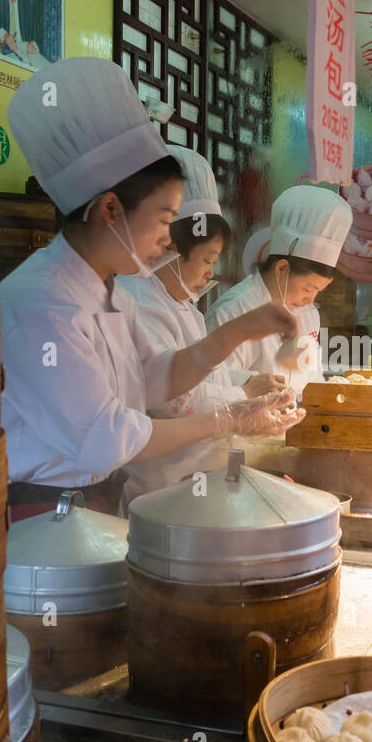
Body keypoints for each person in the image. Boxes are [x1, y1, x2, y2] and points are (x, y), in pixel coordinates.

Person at [0, 57, 304, 521]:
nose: (167, 240)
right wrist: (230, 418)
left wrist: (238, 332)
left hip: (94, 509)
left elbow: (154, 382)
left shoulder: (110, 292)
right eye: (162, 220)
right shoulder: (43, 301)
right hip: (40, 519)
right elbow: (107, 440)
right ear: (110, 210)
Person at [120, 145, 285, 499]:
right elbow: (173, 398)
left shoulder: (185, 306)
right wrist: (243, 397)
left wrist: (248, 381)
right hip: (160, 488)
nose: (211, 273)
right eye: (208, 259)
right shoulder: (138, 301)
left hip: (201, 477)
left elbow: (206, 373)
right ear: (171, 250)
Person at [206, 185, 351, 396]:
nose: (310, 300)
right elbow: (215, 390)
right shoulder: (232, 311)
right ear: (282, 269)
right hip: (245, 427)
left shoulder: (308, 313)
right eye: (308, 288)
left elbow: (313, 380)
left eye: (318, 291)